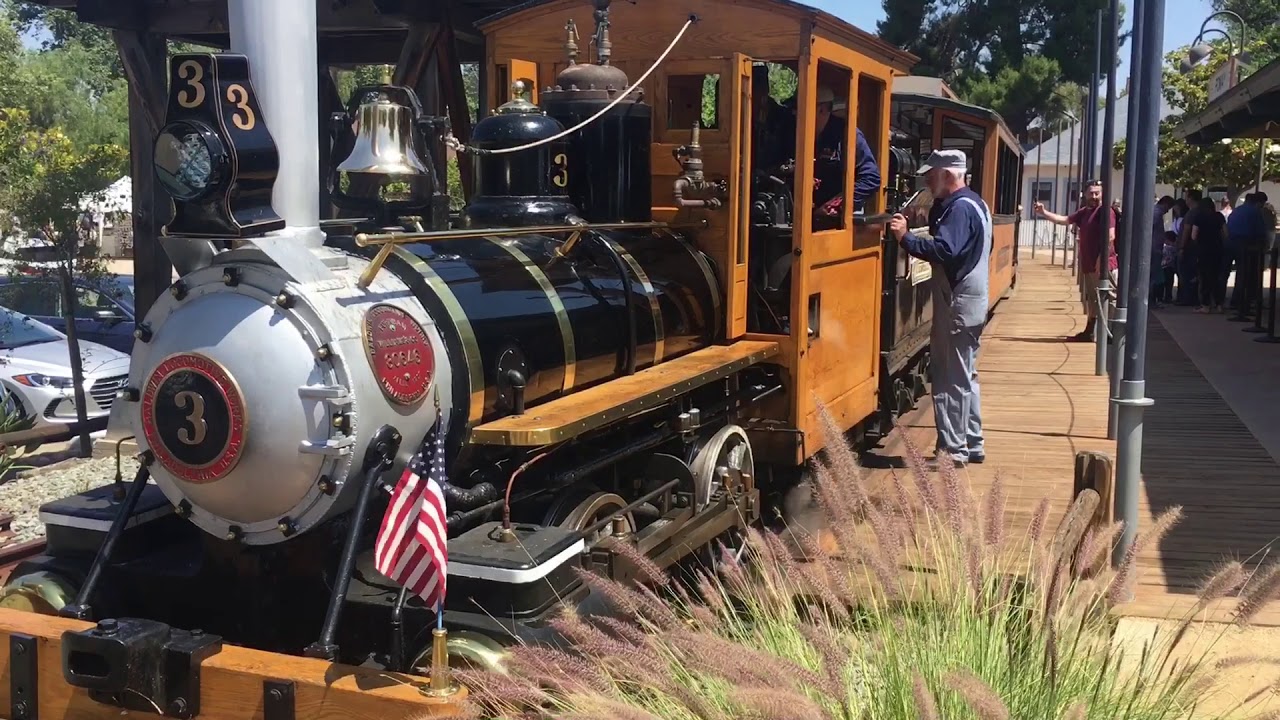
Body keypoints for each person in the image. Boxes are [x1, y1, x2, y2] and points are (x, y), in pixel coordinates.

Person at [888, 148, 990, 468]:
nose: (928, 182)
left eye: (932, 176)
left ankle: (953, 450)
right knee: (965, 374)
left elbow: (945, 250)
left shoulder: (959, 209)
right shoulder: (977, 203)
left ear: (947, 174)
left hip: (956, 302)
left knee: (948, 377)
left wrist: (905, 238)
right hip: (971, 300)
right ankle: (972, 442)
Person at [1033, 179, 1117, 341]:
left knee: (1109, 297)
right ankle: (1090, 331)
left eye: (1097, 193)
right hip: (1089, 264)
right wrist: (1044, 212)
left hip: (1103, 264)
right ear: (1085, 194)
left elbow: (1110, 236)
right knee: (1093, 299)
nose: (1094, 196)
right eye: (1091, 193)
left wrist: (1102, 260)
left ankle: (1112, 333)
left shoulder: (1106, 211)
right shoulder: (1084, 212)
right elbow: (1064, 220)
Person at [1190, 196, 1227, 313]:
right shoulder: (1219, 216)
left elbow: (1193, 235)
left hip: (1203, 250)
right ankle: (1219, 304)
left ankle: (1205, 305)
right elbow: (1225, 233)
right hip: (1217, 250)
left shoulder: (1199, 217)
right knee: (1216, 277)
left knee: (1204, 278)